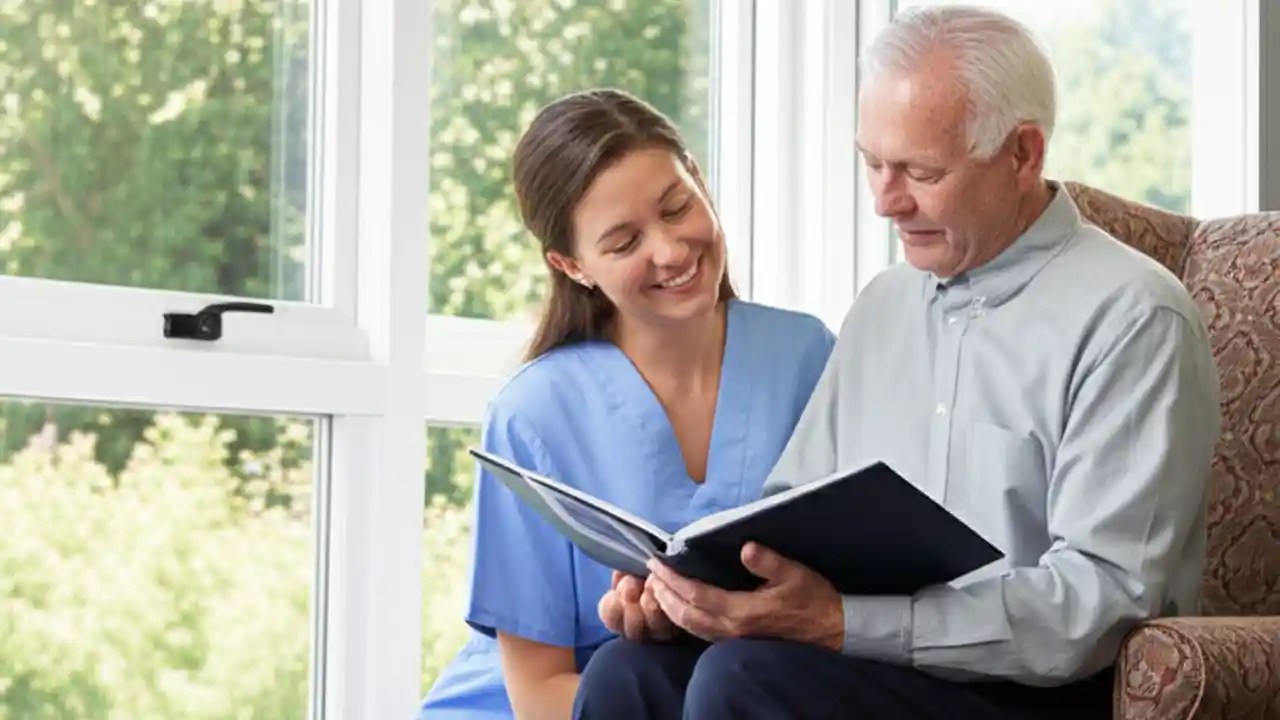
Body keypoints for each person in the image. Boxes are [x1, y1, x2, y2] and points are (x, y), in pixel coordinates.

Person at [574, 6, 1221, 719]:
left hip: (1036, 691)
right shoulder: (883, 305)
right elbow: (791, 513)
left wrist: (844, 623)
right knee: (627, 673)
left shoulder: (1132, 317)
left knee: (745, 679)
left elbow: (1099, 603)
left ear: (1022, 153)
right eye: (873, 163)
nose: (886, 201)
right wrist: (699, 594)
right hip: (865, 663)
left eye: (920, 171)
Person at [418, 88, 836, 719]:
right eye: (622, 242)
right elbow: (535, 693)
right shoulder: (533, 414)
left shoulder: (805, 355)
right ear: (572, 265)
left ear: (697, 179)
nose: (670, 251)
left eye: (677, 206)